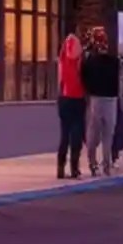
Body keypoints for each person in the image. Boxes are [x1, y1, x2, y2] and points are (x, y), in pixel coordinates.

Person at [80, 27, 120, 177]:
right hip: (111, 99)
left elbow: (83, 78)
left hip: (96, 98)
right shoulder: (114, 62)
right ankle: (106, 164)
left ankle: (93, 163)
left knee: (93, 134)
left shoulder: (90, 61)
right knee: (108, 134)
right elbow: (119, 80)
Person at [56, 34, 86, 179]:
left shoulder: (62, 58)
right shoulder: (80, 60)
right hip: (77, 99)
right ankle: (74, 167)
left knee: (64, 136)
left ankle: (60, 167)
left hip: (64, 99)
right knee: (76, 135)